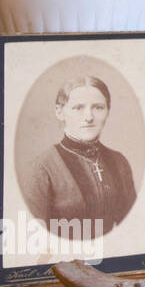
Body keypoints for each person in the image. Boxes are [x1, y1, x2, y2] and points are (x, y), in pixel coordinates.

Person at [20, 76, 136, 236]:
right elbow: (33, 238)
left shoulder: (119, 162)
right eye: (78, 108)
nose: (89, 117)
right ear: (60, 112)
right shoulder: (41, 168)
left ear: (108, 111)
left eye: (98, 108)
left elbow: (134, 228)